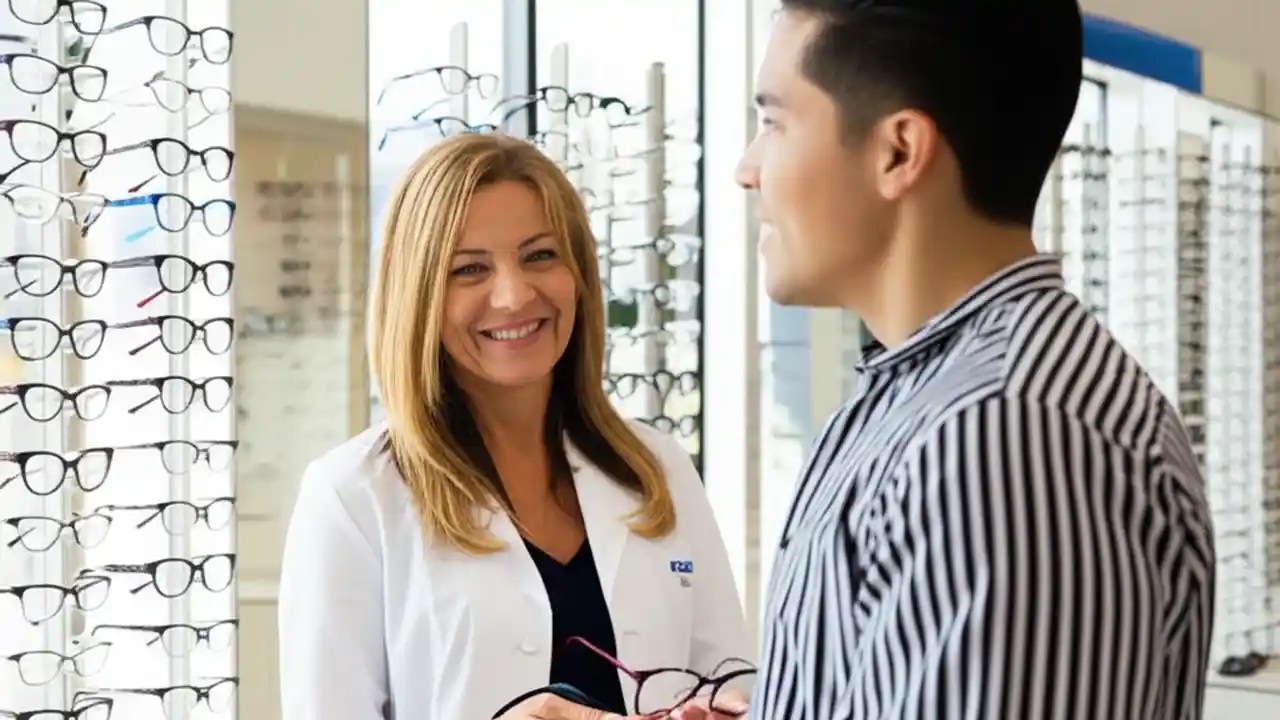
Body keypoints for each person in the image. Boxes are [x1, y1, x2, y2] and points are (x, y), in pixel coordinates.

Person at [675, 0, 1214, 718]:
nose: (749, 169)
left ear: (898, 152)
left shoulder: (1005, 436)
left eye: (774, 123)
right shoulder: (922, 402)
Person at [276, 133, 750, 719]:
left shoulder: (656, 468)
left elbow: (733, 682)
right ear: (419, 295)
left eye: (540, 256)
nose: (513, 294)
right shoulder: (354, 495)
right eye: (469, 269)